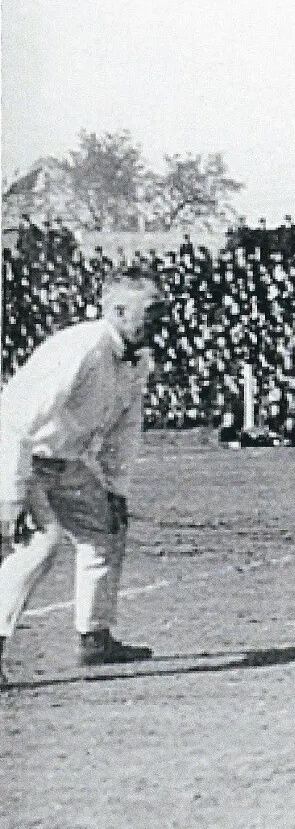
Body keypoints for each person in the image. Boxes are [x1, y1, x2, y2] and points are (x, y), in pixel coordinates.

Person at [0, 269, 169, 682]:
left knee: (106, 529)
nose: (162, 320)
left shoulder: (138, 359)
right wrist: (11, 495)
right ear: (118, 311)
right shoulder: (81, 347)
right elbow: (13, 421)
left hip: (65, 462)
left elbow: (125, 430)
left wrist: (115, 490)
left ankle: (95, 637)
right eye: (152, 311)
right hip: (19, 455)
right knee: (39, 545)